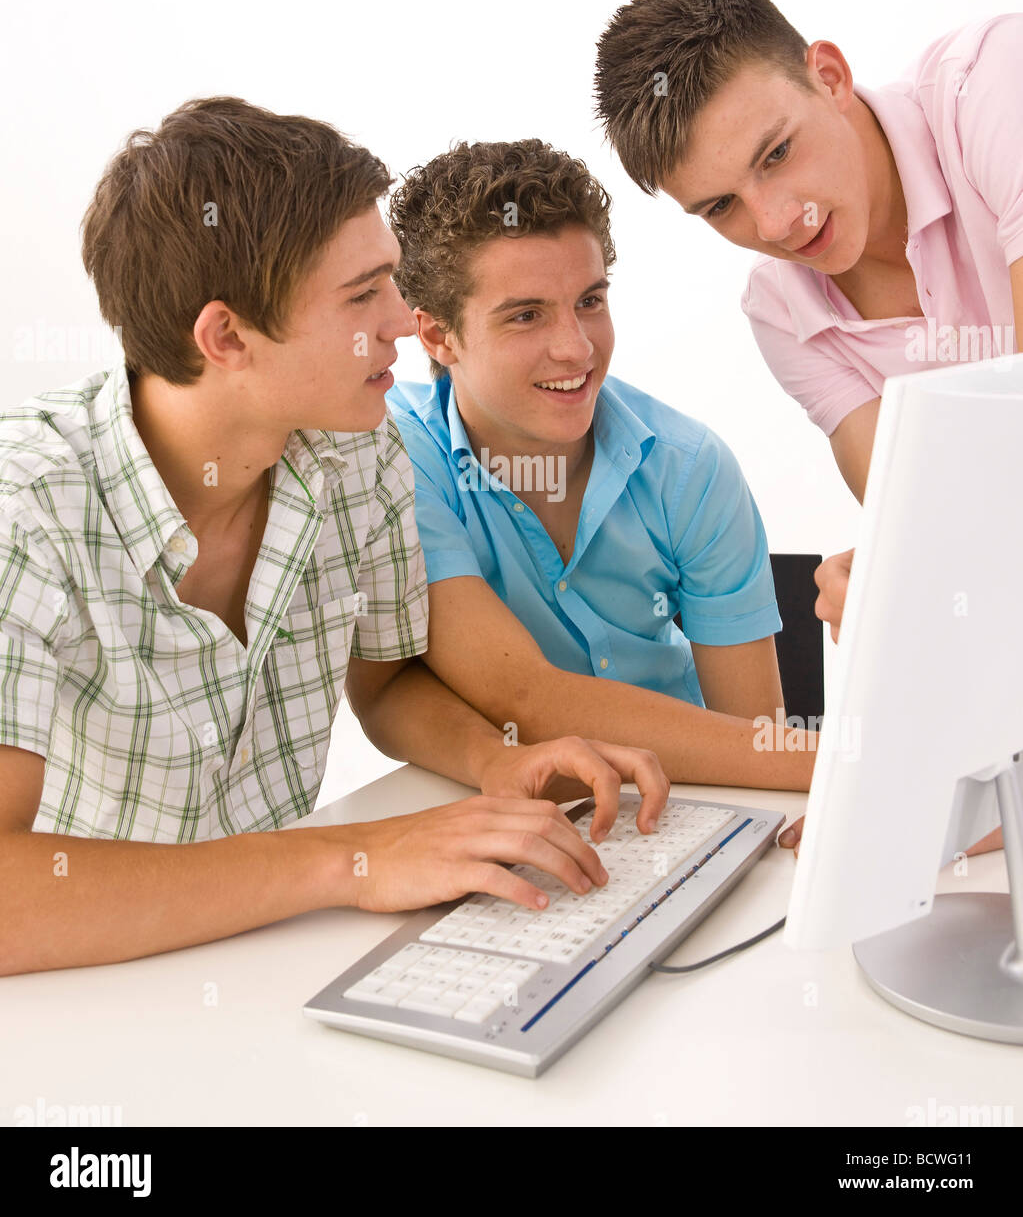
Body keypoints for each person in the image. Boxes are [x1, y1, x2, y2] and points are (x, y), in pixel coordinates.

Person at [0, 98, 669, 978]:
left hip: (275, 955)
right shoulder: (28, 512)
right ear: (226, 335)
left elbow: (386, 679)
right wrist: (355, 858)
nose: (402, 318)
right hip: (84, 987)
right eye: (363, 295)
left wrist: (491, 761)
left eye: (390, 279)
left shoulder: (356, 449)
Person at [594, 0, 1019, 854]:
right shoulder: (785, 312)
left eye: (776, 153)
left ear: (828, 74)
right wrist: (893, 587)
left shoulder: (992, 87)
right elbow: (930, 533)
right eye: (719, 207)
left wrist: (938, 563)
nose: (778, 223)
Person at [385, 138, 816, 800]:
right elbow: (511, 695)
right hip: (492, 809)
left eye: (589, 300)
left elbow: (754, 747)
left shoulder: (690, 468)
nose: (576, 348)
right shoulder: (397, 456)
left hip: (686, 793)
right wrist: (858, 771)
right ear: (438, 336)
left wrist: (842, 782)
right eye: (525, 315)